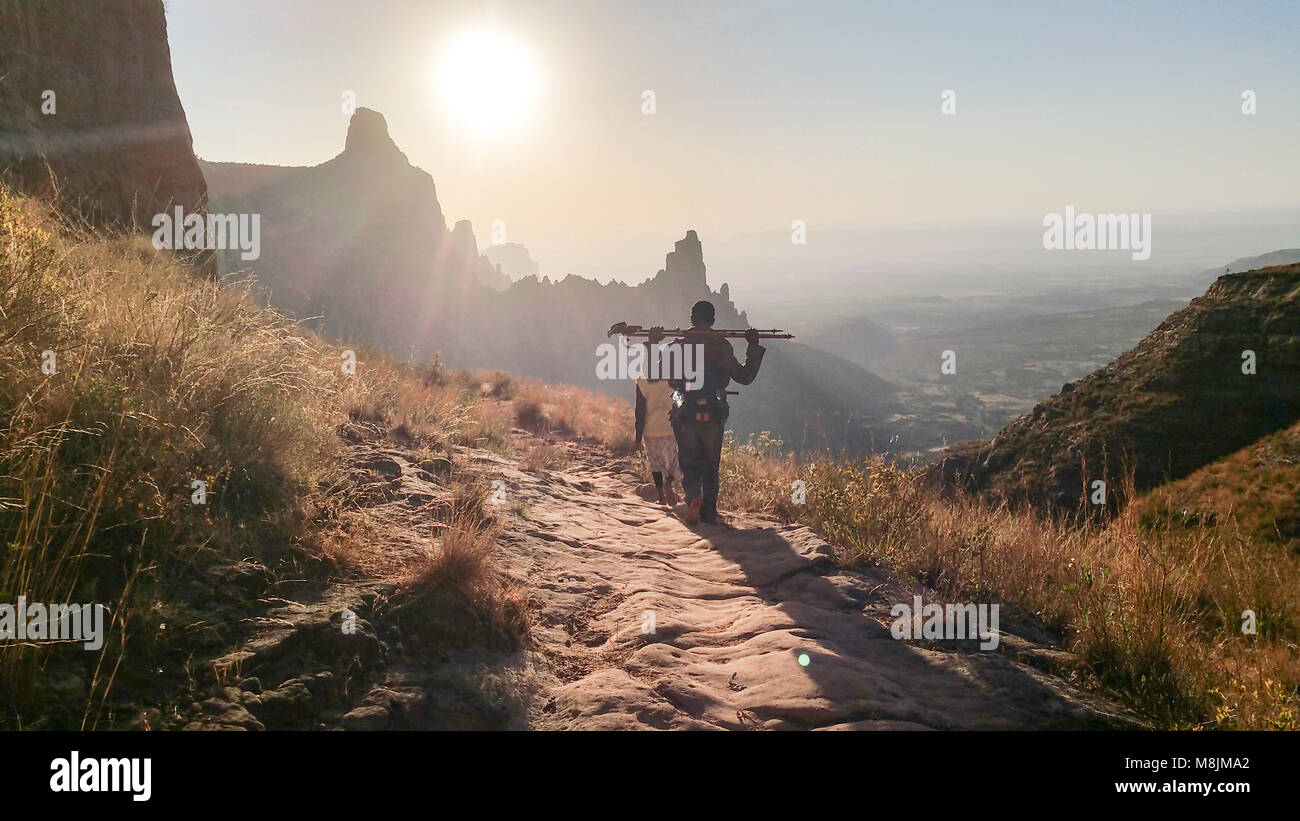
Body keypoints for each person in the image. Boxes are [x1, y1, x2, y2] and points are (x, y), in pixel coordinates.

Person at [666, 300, 765, 525]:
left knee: (689, 463)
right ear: (712, 320)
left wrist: (653, 343)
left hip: (684, 410)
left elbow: (665, 375)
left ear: (692, 319)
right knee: (710, 465)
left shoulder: (677, 345)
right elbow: (745, 376)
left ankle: (693, 498)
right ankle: (709, 512)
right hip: (713, 409)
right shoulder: (721, 347)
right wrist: (753, 346)